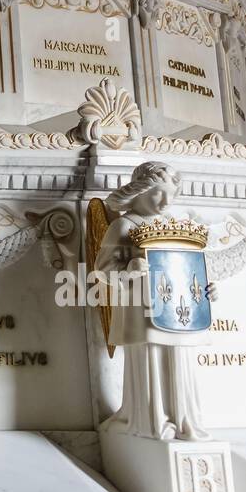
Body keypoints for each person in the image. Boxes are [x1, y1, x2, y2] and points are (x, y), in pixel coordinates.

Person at [96, 162, 214, 441]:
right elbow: (102, 271)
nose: (165, 202)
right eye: (158, 194)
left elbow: (187, 268)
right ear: (139, 192)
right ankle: (151, 421)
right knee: (151, 359)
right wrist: (128, 269)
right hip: (142, 308)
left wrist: (207, 290)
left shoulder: (172, 224)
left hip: (178, 310)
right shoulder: (123, 225)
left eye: (171, 195)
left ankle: (183, 420)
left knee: (179, 363)